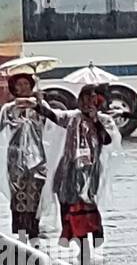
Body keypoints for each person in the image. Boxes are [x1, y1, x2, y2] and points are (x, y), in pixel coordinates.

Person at [39, 85, 118, 247]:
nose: (88, 102)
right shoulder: (71, 117)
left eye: (93, 99)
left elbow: (107, 140)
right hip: (68, 167)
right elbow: (52, 115)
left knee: (85, 203)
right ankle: (78, 239)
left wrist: (95, 120)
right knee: (69, 203)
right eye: (85, 98)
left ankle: (91, 233)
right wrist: (37, 102)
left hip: (90, 169)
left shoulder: (104, 120)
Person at [0, 72, 48, 240]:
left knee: (35, 197)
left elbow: (50, 126)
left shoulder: (40, 106)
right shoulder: (8, 109)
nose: (23, 87)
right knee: (18, 199)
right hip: (15, 161)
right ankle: (21, 238)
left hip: (38, 160)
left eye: (26, 84)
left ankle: (34, 234)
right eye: (19, 84)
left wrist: (39, 105)